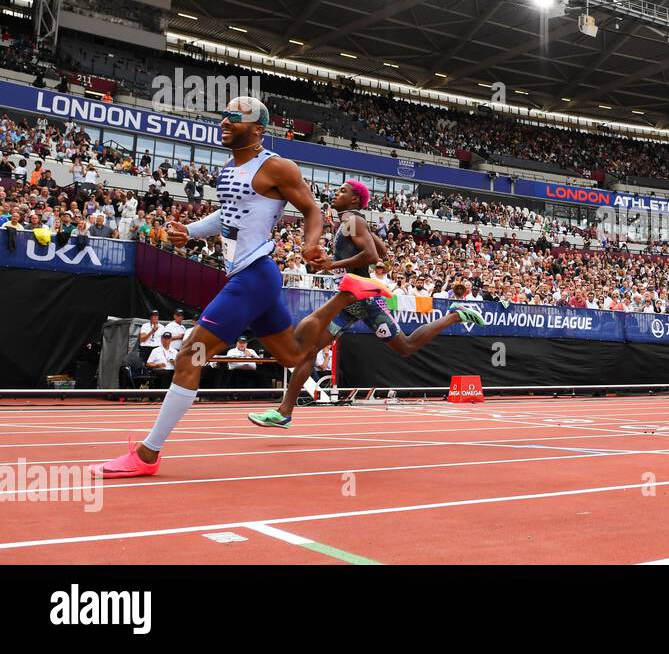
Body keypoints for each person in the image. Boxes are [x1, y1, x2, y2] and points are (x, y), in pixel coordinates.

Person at [92, 96, 390, 478]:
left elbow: (313, 209)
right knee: (292, 356)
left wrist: (309, 243)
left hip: (254, 275)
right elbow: (228, 216)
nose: (225, 122)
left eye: (235, 118)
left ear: (259, 129)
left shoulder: (277, 167)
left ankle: (147, 455)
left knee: (189, 355)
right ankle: (348, 294)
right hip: (251, 277)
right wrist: (192, 232)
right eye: (225, 117)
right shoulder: (229, 169)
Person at [248, 180, 485, 429]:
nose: (335, 193)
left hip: (361, 296)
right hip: (351, 297)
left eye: (342, 191)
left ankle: (454, 315)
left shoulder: (351, 219)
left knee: (402, 347)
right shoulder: (353, 221)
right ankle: (284, 411)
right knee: (312, 350)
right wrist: (365, 238)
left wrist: (332, 265)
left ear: (354, 199)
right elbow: (380, 251)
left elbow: (371, 256)